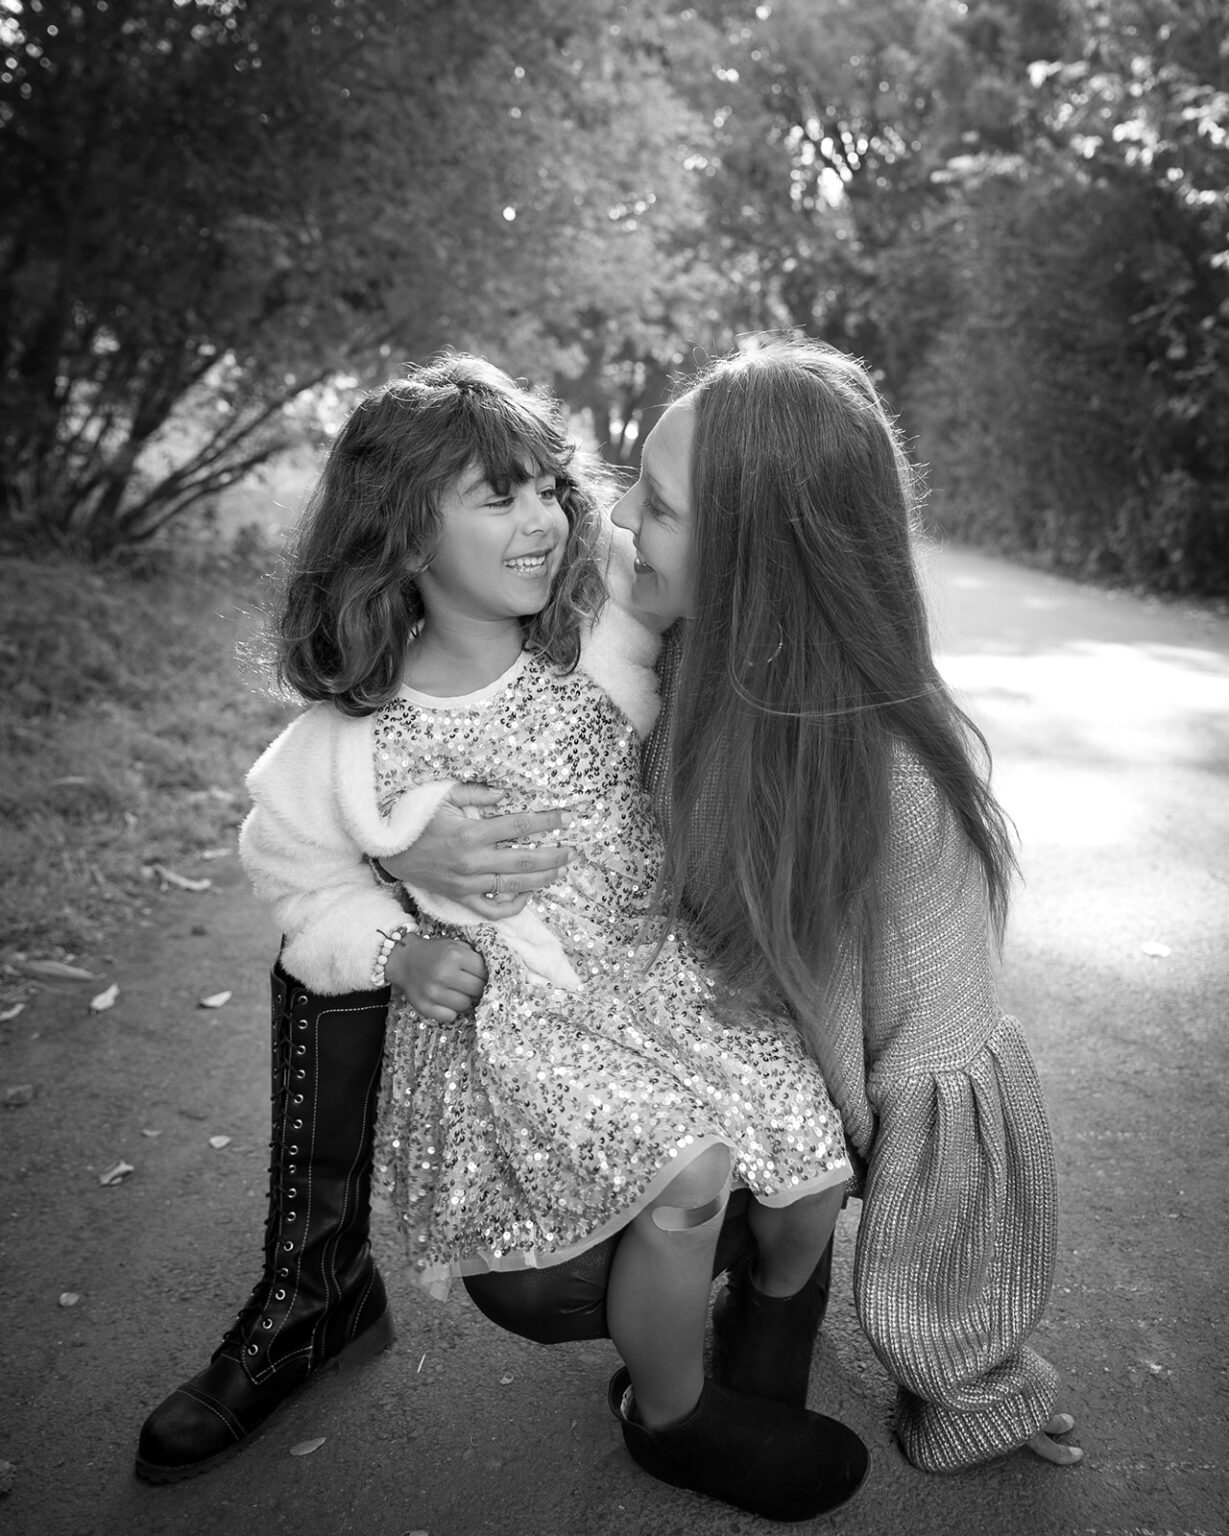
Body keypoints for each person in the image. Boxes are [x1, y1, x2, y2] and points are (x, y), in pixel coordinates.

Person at [136, 354, 868, 1521]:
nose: (543, 519)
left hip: (662, 982)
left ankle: (763, 1346)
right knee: (689, 1172)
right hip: (526, 1024)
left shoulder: (598, 648)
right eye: (496, 496)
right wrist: (394, 942)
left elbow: (722, 585)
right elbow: (293, 875)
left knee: (811, 1158)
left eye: (546, 489)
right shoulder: (349, 740)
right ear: (402, 538)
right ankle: (674, 1417)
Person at [383, 336, 1083, 1474]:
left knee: (780, 1168)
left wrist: (968, 1368)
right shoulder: (613, 610)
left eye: (651, 507)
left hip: (782, 1101)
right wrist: (423, 863)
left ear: (756, 554)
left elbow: (939, 1079)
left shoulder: (891, 790)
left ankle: (772, 1314)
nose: (604, 522)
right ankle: (307, 1290)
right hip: (638, 1054)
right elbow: (402, 749)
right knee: (538, 1273)